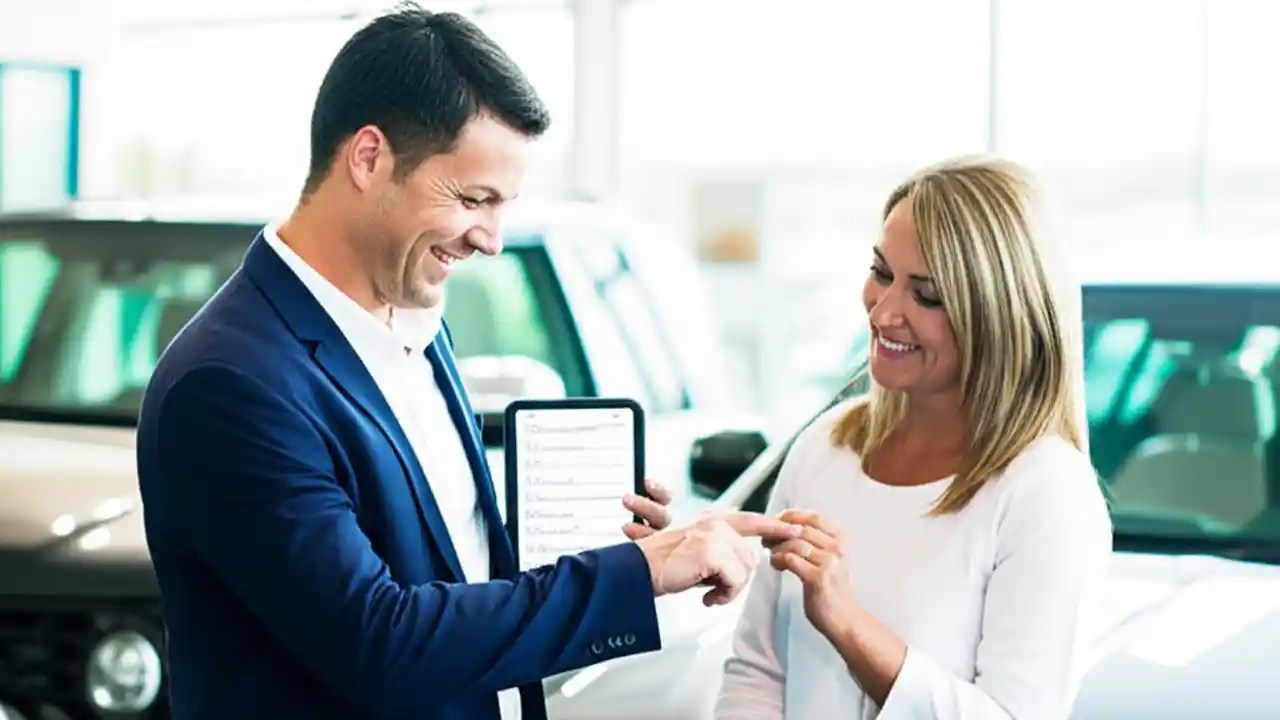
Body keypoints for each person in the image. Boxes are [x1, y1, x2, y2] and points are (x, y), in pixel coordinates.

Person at [135, 6, 802, 720]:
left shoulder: (417, 315)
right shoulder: (232, 384)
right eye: (473, 199)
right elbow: (379, 642)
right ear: (368, 158)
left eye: (503, 205)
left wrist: (598, 547)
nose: (491, 240)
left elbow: (451, 568)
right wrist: (638, 574)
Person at [714, 156, 1112, 719]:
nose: (883, 311)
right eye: (882, 272)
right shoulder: (825, 447)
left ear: (996, 314)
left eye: (927, 295)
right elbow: (758, 670)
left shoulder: (1046, 492)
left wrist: (847, 622)